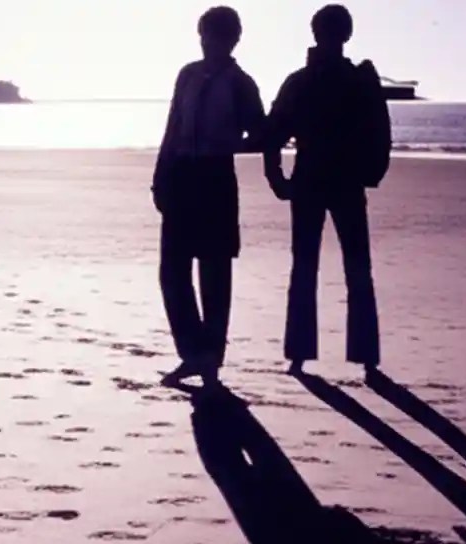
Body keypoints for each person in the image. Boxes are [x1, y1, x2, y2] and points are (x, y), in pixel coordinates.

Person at [265, 4, 389, 377]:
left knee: (309, 267)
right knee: (353, 269)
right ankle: (363, 358)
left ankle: (303, 355)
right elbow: (379, 131)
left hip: (315, 181)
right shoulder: (352, 80)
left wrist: (278, 178)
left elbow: (274, 132)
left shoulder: (305, 81)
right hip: (339, 182)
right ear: (344, 35)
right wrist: (277, 178)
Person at [153, 6, 265, 387]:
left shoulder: (241, 83)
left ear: (233, 40)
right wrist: (160, 173)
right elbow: (172, 126)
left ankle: (210, 358)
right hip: (182, 175)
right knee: (172, 271)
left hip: (216, 176)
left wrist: (232, 143)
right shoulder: (186, 75)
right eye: (204, 36)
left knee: (215, 273)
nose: (208, 43)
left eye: (216, 37)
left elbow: (261, 134)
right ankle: (192, 351)